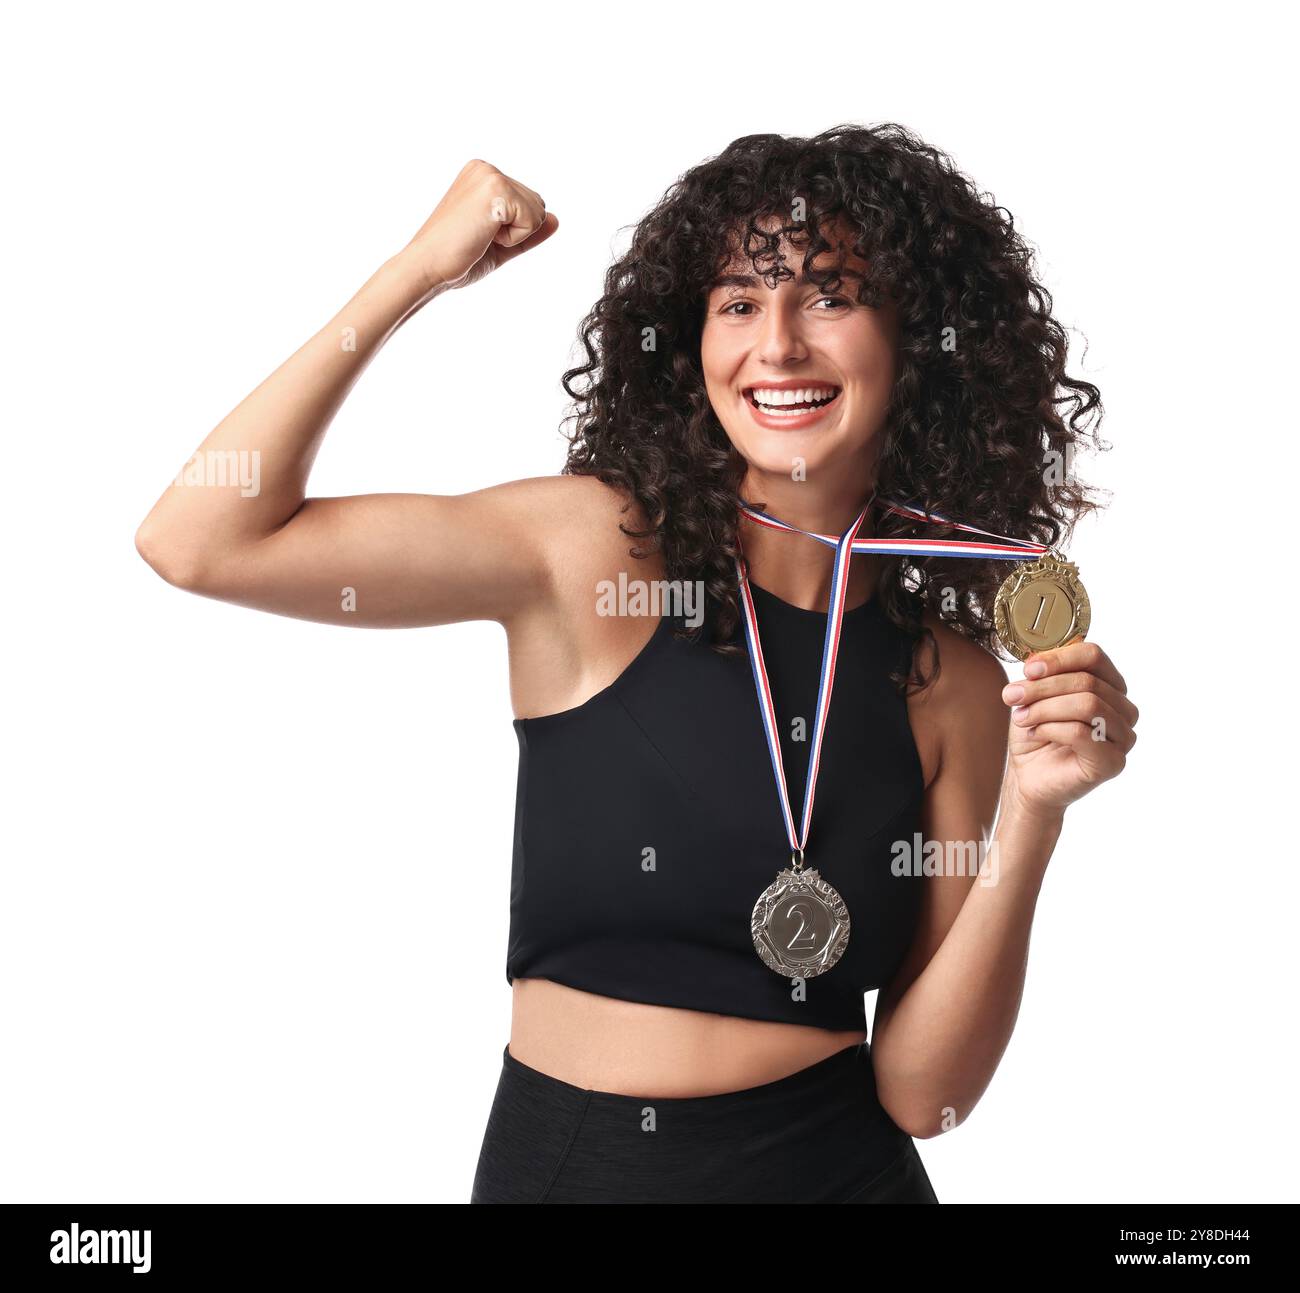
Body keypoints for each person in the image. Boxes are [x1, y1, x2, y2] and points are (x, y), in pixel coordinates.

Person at [135, 123, 1139, 1204]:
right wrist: (414, 273)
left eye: (831, 295)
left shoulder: (945, 681)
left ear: (916, 341)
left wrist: (1037, 813)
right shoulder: (589, 553)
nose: (780, 344)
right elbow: (198, 542)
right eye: (740, 302)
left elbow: (922, 1098)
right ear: (693, 338)